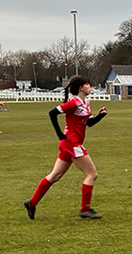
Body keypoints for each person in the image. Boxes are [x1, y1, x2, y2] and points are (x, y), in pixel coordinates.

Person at [23, 76, 108, 220]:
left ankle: (31, 203)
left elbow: (88, 123)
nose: (90, 87)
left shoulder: (85, 102)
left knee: (55, 175)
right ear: (81, 88)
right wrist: (59, 134)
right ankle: (85, 209)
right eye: (87, 84)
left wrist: (100, 116)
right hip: (71, 143)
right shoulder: (73, 103)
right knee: (92, 174)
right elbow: (52, 113)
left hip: (70, 144)